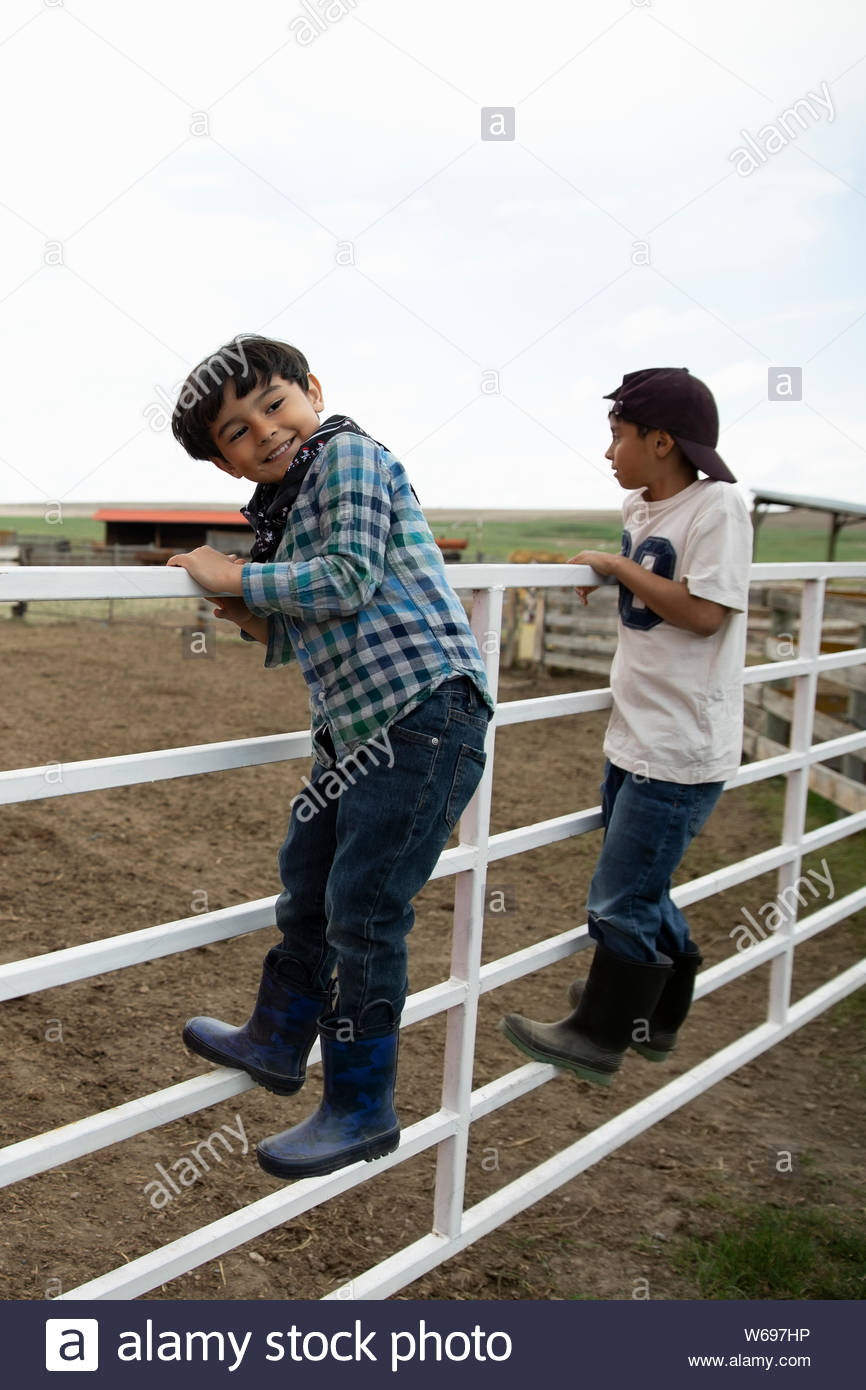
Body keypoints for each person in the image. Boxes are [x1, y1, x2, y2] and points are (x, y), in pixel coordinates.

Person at [168, 334, 493, 1178]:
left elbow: (345, 578)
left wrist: (233, 575)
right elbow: (287, 628)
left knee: (366, 911)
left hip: (424, 712)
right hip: (356, 729)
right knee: (306, 880)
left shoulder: (346, 456)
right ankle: (278, 1039)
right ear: (224, 462)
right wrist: (224, 591)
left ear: (310, 390)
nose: (264, 431)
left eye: (272, 405)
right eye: (236, 431)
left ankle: (362, 1104)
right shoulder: (281, 507)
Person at [501, 367, 753, 1085]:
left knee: (620, 896)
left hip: (678, 745)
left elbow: (705, 613)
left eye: (618, 437)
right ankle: (658, 1009)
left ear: (663, 441)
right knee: (644, 885)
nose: (610, 452)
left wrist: (617, 566)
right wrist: (616, 566)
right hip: (637, 735)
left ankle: (599, 1034)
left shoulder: (720, 507)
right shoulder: (641, 509)